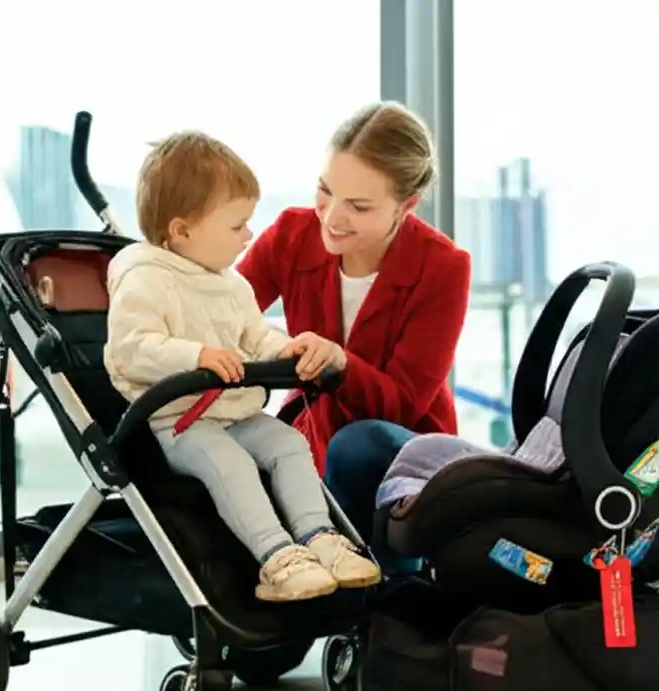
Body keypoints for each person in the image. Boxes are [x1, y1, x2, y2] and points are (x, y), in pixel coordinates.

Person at [102, 130, 382, 603]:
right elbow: (131, 348)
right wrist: (196, 357)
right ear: (182, 231)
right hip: (182, 422)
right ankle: (276, 557)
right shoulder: (145, 279)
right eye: (237, 227)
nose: (248, 236)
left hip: (235, 413)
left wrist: (285, 351)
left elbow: (254, 336)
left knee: (289, 442)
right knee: (230, 464)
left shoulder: (229, 285)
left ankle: (319, 537)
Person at [236, 101, 471, 574]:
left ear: (406, 206)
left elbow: (403, 404)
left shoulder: (442, 267)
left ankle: (383, 603)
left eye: (359, 206)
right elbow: (224, 310)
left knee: (356, 444)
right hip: (313, 439)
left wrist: (340, 364)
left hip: (399, 451)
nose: (333, 217)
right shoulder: (290, 235)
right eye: (326, 191)